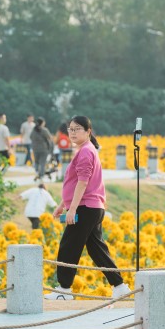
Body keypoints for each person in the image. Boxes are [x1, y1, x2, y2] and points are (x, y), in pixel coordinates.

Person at [45, 116, 131, 301]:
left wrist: (72, 209)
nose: (72, 132)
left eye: (77, 129)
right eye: (70, 129)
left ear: (88, 131)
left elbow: (82, 184)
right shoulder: (86, 150)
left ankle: (64, 290)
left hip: (85, 207)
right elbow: (75, 183)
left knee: (69, 247)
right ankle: (119, 286)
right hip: (92, 207)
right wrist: (62, 205)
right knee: (97, 249)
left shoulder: (85, 152)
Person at [30, 117, 54, 181]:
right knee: (42, 162)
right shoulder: (44, 130)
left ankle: (37, 172)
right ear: (42, 123)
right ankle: (41, 175)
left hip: (35, 148)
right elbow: (50, 138)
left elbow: (30, 137)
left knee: (36, 162)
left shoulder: (33, 130)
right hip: (44, 148)